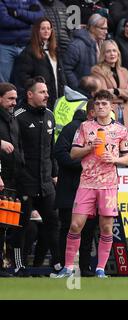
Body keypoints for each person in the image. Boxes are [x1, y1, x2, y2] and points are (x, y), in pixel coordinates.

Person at [52, 90, 128, 278]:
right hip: (86, 183)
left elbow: (127, 159)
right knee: (75, 225)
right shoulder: (85, 127)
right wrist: (89, 147)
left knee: (106, 227)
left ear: (111, 106)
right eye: (97, 104)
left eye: (104, 103)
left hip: (109, 185)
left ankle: (100, 269)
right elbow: (72, 154)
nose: (101, 107)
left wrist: (114, 159)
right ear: (93, 108)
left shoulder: (121, 130)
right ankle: (68, 267)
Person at [14, 76, 61, 275]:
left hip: (46, 183)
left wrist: (55, 174)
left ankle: (59, 264)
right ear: (30, 94)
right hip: (25, 183)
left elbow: (52, 149)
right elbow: (16, 151)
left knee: (53, 223)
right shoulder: (18, 116)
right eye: (42, 92)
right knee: (21, 226)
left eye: (47, 91)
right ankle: (18, 265)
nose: (47, 95)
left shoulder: (50, 115)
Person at [54, 101, 97, 277]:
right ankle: (72, 267)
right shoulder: (72, 129)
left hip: (86, 189)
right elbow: (61, 154)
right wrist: (84, 166)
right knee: (73, 229)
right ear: (92, 113)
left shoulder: (102, 131)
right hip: (72, 189)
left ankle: (76, 267)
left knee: (83, 230)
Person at [91, 39, 128, 162]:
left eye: (114, 51)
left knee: (125, 149)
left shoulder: (124, 71)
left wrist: (117, 91)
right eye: (108, 51)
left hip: (125, 113)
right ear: (103, 54)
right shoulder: (97, 70)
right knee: (110, 148)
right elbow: (102, 94)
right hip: (109, 112)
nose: (112, 54)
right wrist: (124, 93)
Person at [13, 17, 66, 110]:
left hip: (58, 98)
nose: (46, 31)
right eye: (43, 28)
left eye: (48, 28)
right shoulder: (28, 52)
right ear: (37, 31)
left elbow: (61, 75)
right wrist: (37, 91)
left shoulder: (55, 50)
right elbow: (23, 77)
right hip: (40, 101)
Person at [0, 83, 25, 277]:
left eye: (15, 99)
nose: (14, 103)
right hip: (1, 178)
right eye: (10, 98)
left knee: (5, 225)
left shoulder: (12, 119)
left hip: (12, 180)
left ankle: (3, 265)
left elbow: (18, 148)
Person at [0, 0, 44, 82]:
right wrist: (28, 22)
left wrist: (18, 13)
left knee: (26, 80)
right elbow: (4, 20)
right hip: (5, 46)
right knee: (3, 83)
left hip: (25, 46)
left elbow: (39, 16)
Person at [63, 13, 108, 90]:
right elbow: (66, 69)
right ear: (92, 28)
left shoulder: (102, 44)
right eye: (102, 28)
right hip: (82, 93)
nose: (106, 32)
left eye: (106, 29)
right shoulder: (76, 45)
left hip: (97, 92)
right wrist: (78, 88)